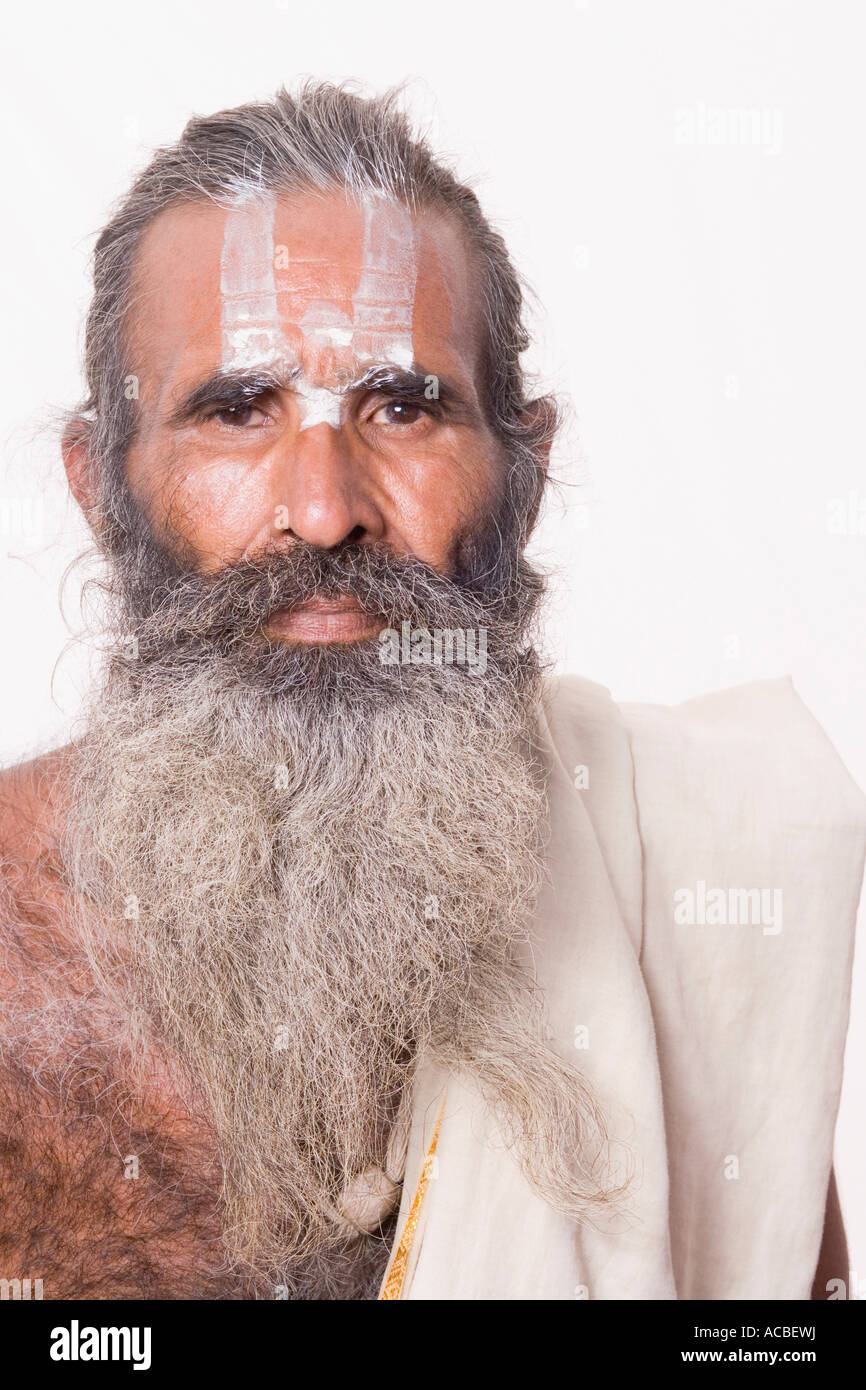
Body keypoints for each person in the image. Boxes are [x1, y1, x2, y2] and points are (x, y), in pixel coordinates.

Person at [0, 82, 862, 1301]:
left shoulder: (674, 886)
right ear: (101, 487)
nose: (324, 507)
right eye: (237, 409)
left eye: (402, 407)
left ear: (524, 473)